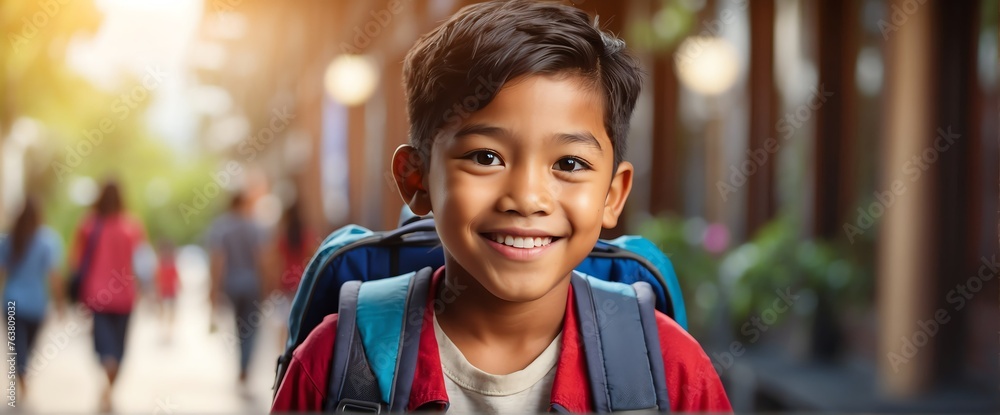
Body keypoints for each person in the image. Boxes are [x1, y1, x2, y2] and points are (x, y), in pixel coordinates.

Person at [272, 1, 732, 413]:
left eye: (569, 163)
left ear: (612, 195)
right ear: (416, 179)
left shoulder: (674, 372)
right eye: (485, 157)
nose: (527, 198)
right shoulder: (331, 364)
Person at [71, 180, 146, 413]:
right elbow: (142, 263)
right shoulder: (132, 226)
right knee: (120, 348)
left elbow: (76, 262)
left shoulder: (88, 225)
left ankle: (107, 374)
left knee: (103, 346)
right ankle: (109, 389)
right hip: (125, 296)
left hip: (97, 296)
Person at [0, 197, 62, 400]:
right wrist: (60, 303)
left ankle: (21, 376)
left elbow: (2, 272)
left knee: (17, 345)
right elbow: (53, 275)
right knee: (28, 346)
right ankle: (22, 377)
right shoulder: (47, 240)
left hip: (11, 301)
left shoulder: (9, 239)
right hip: (36, 303)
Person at [207, 191, 266, 386]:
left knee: (238, 324)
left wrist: (213, 289)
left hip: (231, 284)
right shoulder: (254, 226)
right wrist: (267, 284)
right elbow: (260, 258)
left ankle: (242, 364)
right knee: (250, 326)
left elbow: (218, 260)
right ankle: (245, 365)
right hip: (252, 284)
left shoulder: (221, 227)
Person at [270, 201, 316, 348]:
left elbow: (277, 263)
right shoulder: (307, 235)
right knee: (301, 321)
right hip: (302, 283)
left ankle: (282, 353)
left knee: (283, 323)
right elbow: (314, 259)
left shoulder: (282, 236)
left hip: (286, 284)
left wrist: (274, 285)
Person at [154, 238, 180, 341]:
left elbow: (176, 276)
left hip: (171, 290)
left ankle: (169, 330)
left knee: (171, 310)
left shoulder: (172, 262)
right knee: (162, 310)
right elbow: (156, 277)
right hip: (162, 291)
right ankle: (163, 328)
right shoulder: (160, 263)